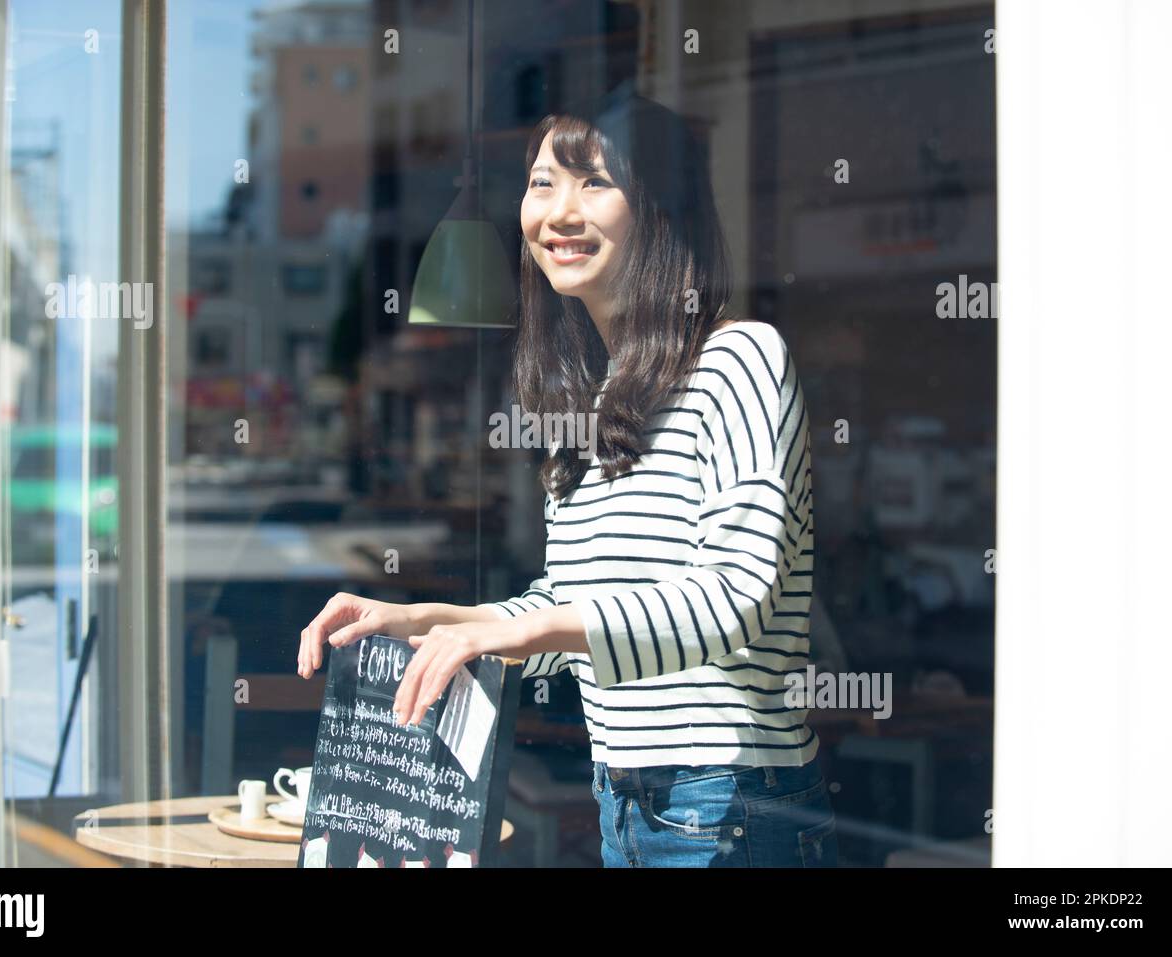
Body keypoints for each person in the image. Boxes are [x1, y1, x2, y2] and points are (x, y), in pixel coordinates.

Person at [297, 88, 837, 868]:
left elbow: (738, 596)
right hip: (622, 802)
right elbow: (563, 607)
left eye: (594, 182)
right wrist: (419, 622)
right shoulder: (585, 400)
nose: (559, 212)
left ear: (661, 207)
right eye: (543, 183)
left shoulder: (740, 359)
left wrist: (525, 630)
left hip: (731, 805)